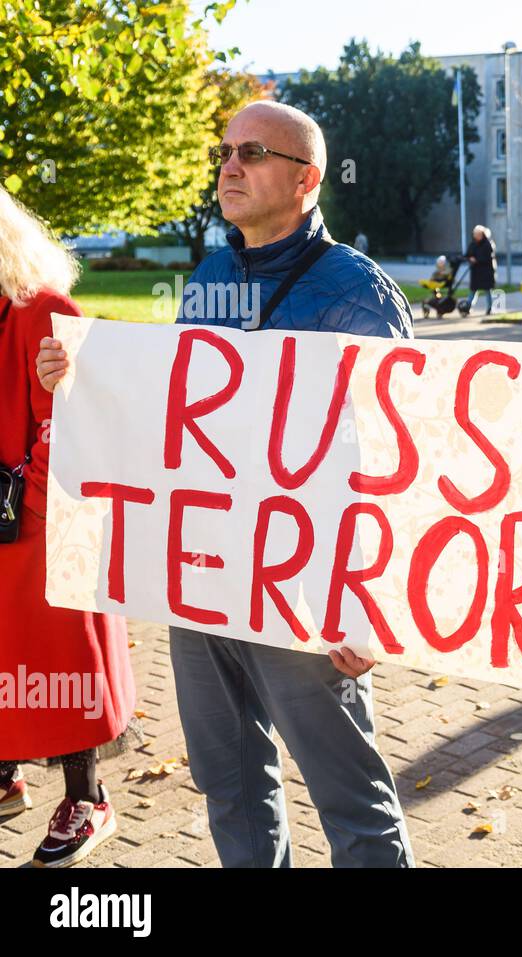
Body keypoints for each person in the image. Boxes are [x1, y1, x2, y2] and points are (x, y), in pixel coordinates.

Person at [37, 101, 416, 868]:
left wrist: (372, 601)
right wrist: (81, 381)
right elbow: (177, 417)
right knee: (232, 784)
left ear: (307, 179)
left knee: (351, 801)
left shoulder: (360, 295)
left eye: (253, 152)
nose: (229, 166)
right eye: (225, 151)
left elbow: (404, 458)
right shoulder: (209, 276)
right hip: (204, 578)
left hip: (303, 586)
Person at [0, 186, 136, 867]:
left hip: (44, 522)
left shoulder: (44, 308)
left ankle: (88, 794)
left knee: (64, 660)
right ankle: (6, 773)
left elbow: (76, 420)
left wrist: (22, 497)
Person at [465, 224, 497, 316]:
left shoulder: (488, 244)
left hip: (486, 271)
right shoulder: (473, 244)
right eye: (475, 234)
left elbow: (488, 257)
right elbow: (468, 254)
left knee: (488, 290)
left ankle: (490, 308)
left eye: (478, 234)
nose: (476, 236)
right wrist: (470, 258)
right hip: (475, 271)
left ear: (482, 234)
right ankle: (468, 307)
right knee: (473, 290)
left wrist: (477, 260)